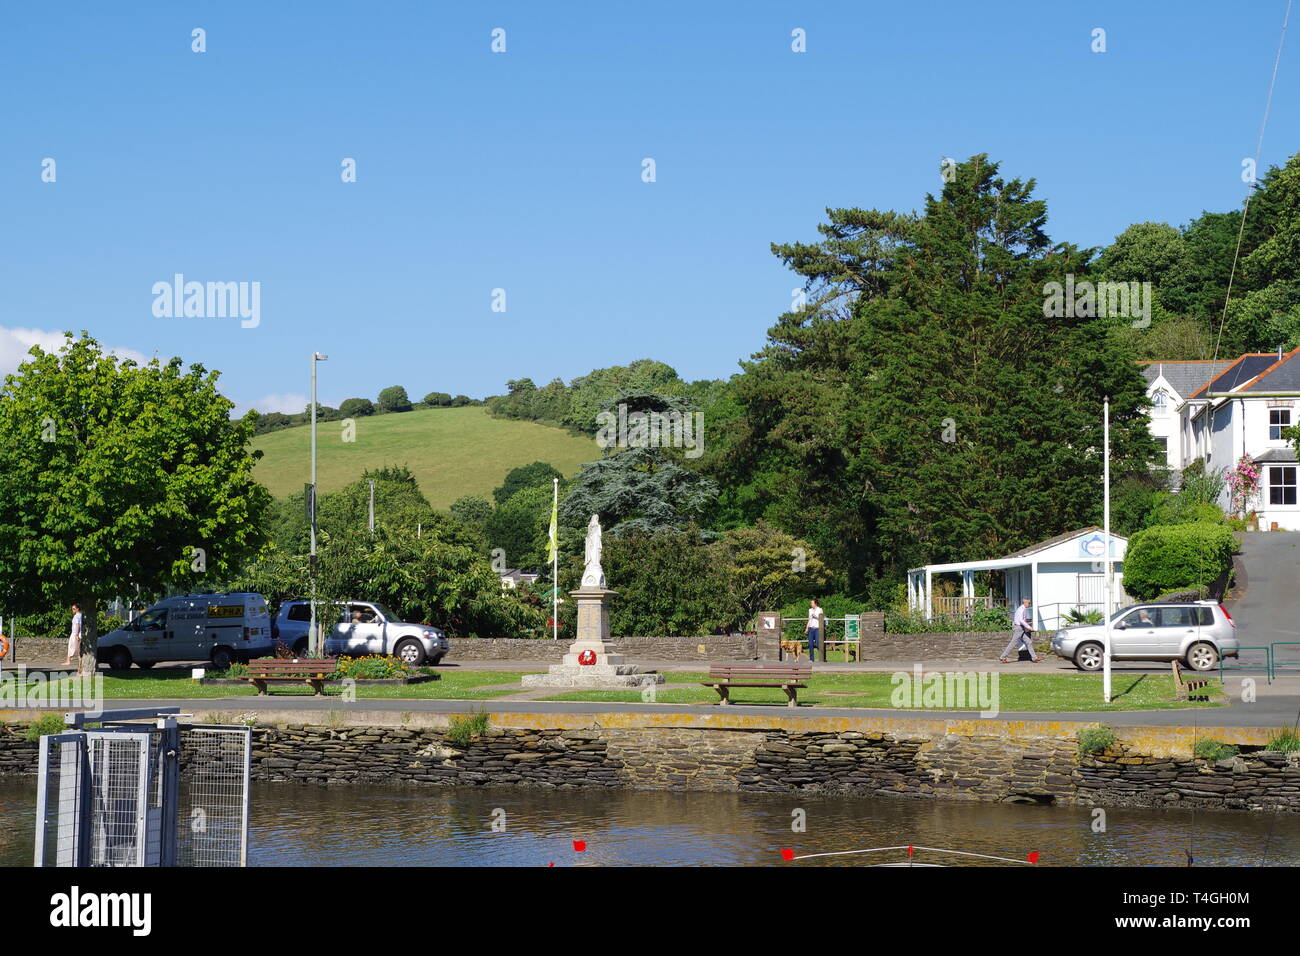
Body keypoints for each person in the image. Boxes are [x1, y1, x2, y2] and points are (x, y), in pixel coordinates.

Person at [999, 597, 1041, 663]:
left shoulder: (1021, 608)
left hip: (1020, 628)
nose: (1029, 604)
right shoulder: (1022, 609)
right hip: (1019, 628)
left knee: (1028, 642)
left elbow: (1021, 619)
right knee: (1013, 643)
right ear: (1025, 602)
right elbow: (1021, 620)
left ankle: (1034, 658)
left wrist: (1027, 621)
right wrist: (1029, 627)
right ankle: (1003, 656)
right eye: (1029, 603)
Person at [805, 599, 825, 664]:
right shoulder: (810, 610)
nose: (811, 604)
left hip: (817, 628)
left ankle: (822, 657)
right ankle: (811, 659)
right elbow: (809, 619)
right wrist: (807, 628)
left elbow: (822, 619)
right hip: (811, 628)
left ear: (815, 603)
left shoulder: (820, 609)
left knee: (817, 643)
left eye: (812, 603)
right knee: (810, 644)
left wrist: (816, 617)